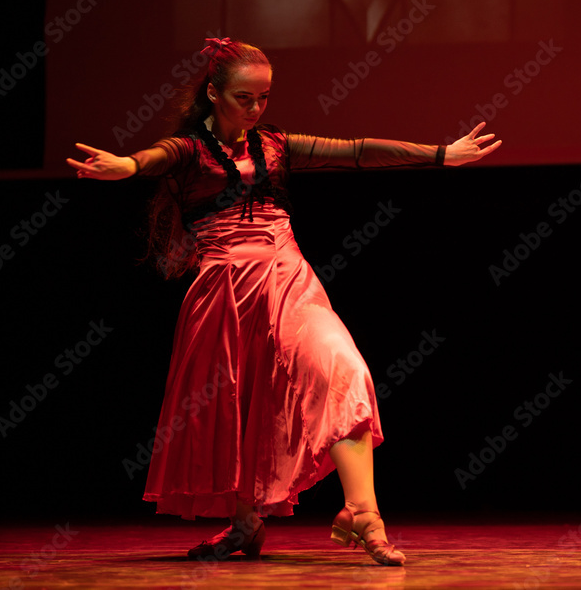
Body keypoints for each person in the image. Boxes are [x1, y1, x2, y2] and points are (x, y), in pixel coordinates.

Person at [66, 37, 501, 565]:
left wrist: (440, 155)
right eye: (244, 98)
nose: (255, 109)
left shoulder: (275, 145)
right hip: (224, 290)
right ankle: (245, 524)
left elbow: (358, 150)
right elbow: (153, 158)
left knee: (342, 368)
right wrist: (126, 167)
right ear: (213, 94)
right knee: (238, 404)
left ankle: (363, 514)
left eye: (264, 98)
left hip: (290, 278)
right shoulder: (189, 150)